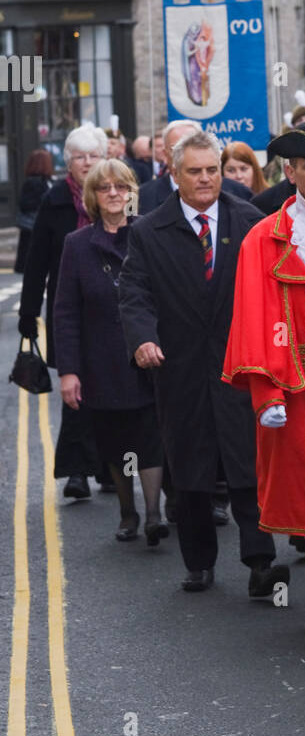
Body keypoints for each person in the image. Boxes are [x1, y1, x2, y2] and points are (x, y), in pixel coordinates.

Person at [118, 130, 289, 598]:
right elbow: (134, 294)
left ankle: (260, 563)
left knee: (247, 466)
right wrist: (143, 340)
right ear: (174, 175)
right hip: (181, 370)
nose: (206, 179)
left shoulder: (250, 221)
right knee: (190, 470)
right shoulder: (149, 230)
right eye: (194, 171)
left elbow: (273, 293)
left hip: (240, 367)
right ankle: (198, 563)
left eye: (212, 169)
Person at [241, 121, 305, 628]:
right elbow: (255, 318)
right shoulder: (264, 238)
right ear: (290, 172)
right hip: (303, 381)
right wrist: (267, 391)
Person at [53, 159, 167, 544]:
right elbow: (65, 311)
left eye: (121, 186)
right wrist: (68, 371)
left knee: (149, 435)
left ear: (132, 191)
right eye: (105, 188)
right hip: (101, 360)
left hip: (149, 356)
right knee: (117, 441)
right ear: (93, 197)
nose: (114, 193)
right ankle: (128, 511)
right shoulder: (77, 245)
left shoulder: (150, 235)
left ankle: (153, 514)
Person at [18, 124, 109, 499]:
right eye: (79, 157)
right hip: (66, 309)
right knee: (75, 394)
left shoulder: (120, 192)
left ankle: (109, 469)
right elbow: (36, 261)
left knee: (112, 391)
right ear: (67, 162)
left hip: (111, 311)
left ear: (105, 158)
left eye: (93, 156)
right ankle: (76, 473)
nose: (86, 163)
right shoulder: (54, 200)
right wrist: (27, 316)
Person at [139, 119, 252, 214]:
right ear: (165, 154)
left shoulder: (240, 193)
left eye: (194, 146)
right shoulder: (143, 197)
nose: (187, 153)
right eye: (177, 149)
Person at [14, 149, 53, 274]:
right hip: (32, 224)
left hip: (34, 224)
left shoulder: (46, 180)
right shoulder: (34, 182)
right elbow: (25, 203)